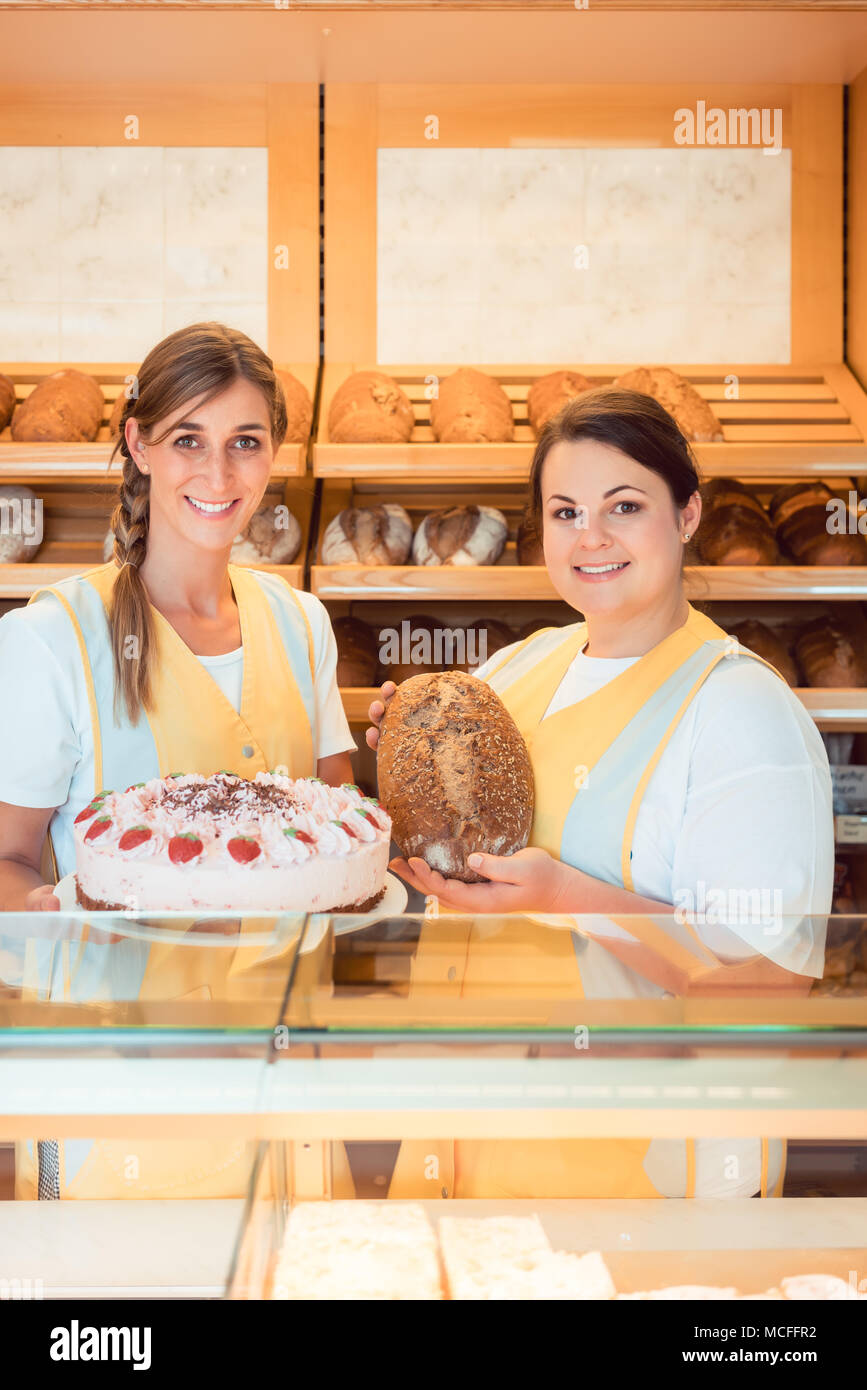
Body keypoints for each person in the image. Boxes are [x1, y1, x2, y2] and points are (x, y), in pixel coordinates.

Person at [366, 386, 834, 1199]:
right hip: (469, 1138)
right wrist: (400, 751)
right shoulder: (513, 671)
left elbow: (770, 986)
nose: (591, 538)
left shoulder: (739, 712)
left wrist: (567, 897)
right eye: (564, 512)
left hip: (633, 1174)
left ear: (687, 514)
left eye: (624, 506)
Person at [0, 321, 358, 1198]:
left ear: (275, 453)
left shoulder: (300, 622)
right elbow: (5, 862)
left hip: (290, 1075)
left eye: (245, 443)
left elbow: (339, 846)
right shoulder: (52, 640)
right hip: (120, 1086)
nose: (219, 474)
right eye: (188, 441)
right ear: (139, 444)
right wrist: (50, 918)